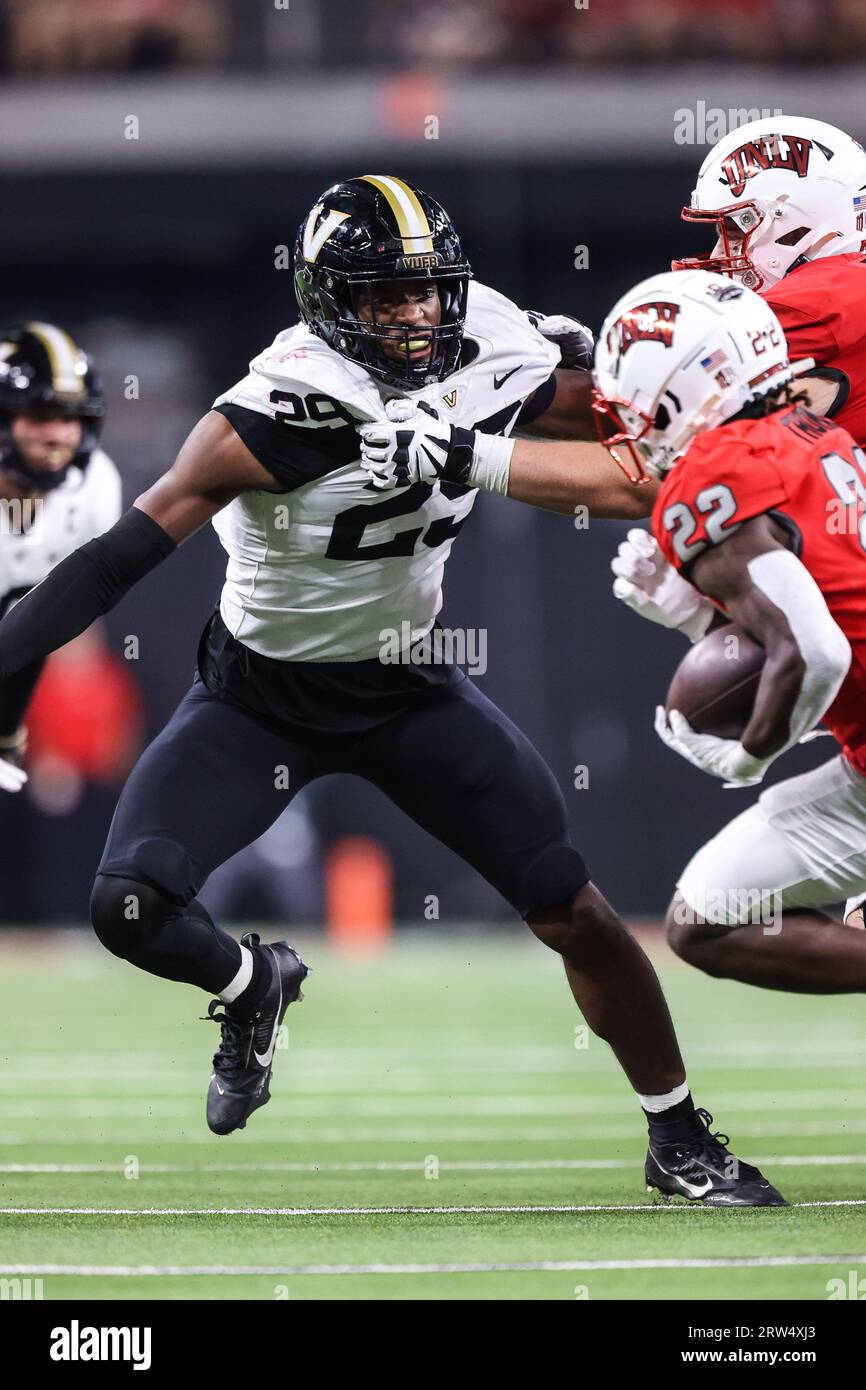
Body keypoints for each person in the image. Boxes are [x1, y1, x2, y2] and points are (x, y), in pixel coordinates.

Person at [0, 176, 781, 1203]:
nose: (415, 315)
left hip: (407, 685)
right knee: (129, 905)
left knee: (572, 909)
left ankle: (676, 1135)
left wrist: (521, 424)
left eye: (427, 291)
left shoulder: (492, 347)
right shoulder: (268, 412)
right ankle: (252, 986)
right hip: (255, 697)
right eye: (384, 295)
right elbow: (109, 563)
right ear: (329, 302)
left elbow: (639, 464)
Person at [594, 268, 866, 996]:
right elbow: (828, 608)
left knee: (702, 922)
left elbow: (816, 649)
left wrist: (745, 759)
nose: (631, 425)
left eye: (636, 405)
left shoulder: (713, 469)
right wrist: (691, 616)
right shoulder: (815, 433)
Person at [0, 322, 121, 795]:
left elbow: (41, 627)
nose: (58, 435)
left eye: (71, 417)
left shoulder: (93, 492)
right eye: (41, 414)